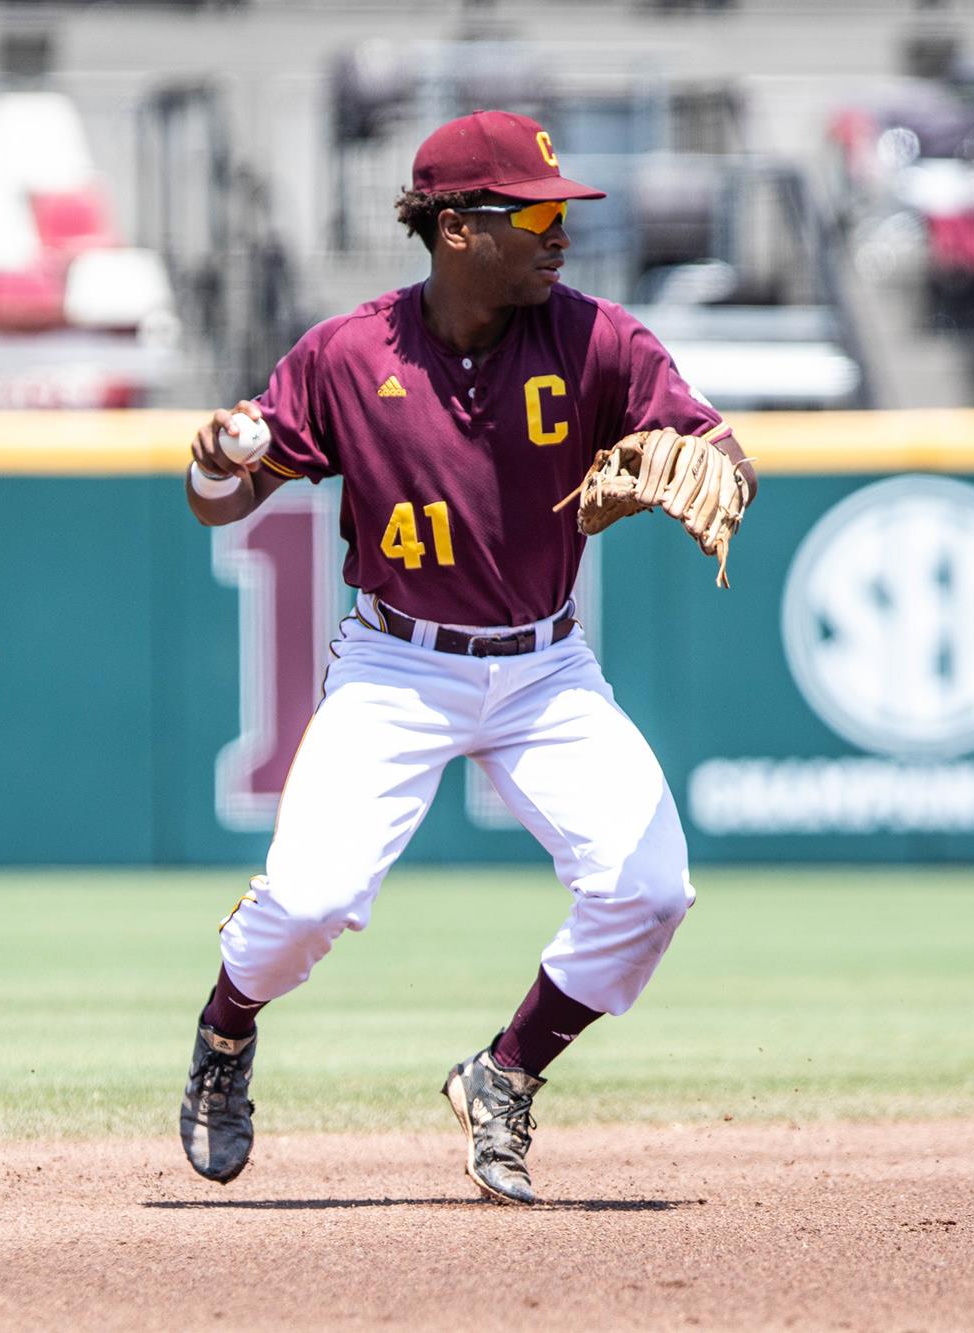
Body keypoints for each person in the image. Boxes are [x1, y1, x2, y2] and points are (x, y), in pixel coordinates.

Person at [175, 109, 756, 1205]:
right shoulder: (349, 354)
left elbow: (719, 452)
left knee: (649, 886)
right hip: (398, 665)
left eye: (561, 210)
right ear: (454, 228)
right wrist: (209, 461)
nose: (559, 231)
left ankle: (503, 1075)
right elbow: (221, 502)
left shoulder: (598, 340)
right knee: (306, 904)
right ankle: (224, 1029)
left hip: (544, 670)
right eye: (532, 212)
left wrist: (717, 470)